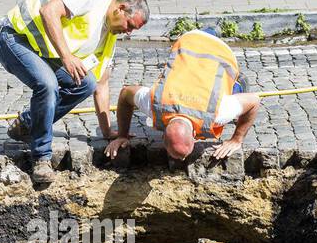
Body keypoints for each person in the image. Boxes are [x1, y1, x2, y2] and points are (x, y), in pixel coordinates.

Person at [0, 0, 149, 186]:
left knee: (86, 83)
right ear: (120, 9)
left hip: (44, 52)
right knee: (47, 85)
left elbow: (100, 83)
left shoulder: (109, 36)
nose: (129, 32)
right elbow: (48, 12)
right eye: (129, 25)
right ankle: (41, 159)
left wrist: (107, 132)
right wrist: (67, 57)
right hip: (16, 37)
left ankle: (28, 124)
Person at [105, 27, 259, 163]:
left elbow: (253, 101)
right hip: (190, 41)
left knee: (233, 90)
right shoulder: (153, 104)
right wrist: (122, 136)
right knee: (205, 36)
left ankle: (238, 80)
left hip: (220, 52)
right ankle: (210, 31)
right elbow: (126, 93)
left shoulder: (217, 113)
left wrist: (236, 140)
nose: (183, 160)